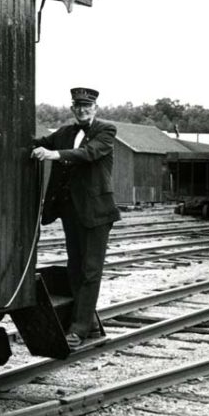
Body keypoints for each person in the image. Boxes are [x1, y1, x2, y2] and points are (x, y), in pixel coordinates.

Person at [31, 87, 121, 348]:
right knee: (75, 267)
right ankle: (89, 323)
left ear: (95, 108)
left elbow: (89, 154)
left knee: (90, 271)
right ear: (72, 109)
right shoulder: (64, 132)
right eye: (77, 106)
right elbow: (40, 143)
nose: (82, 110)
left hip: (97, 213)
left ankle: (78, 328)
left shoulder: (106, 131)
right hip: (71, 211)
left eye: (87, 106)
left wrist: (54, 155)